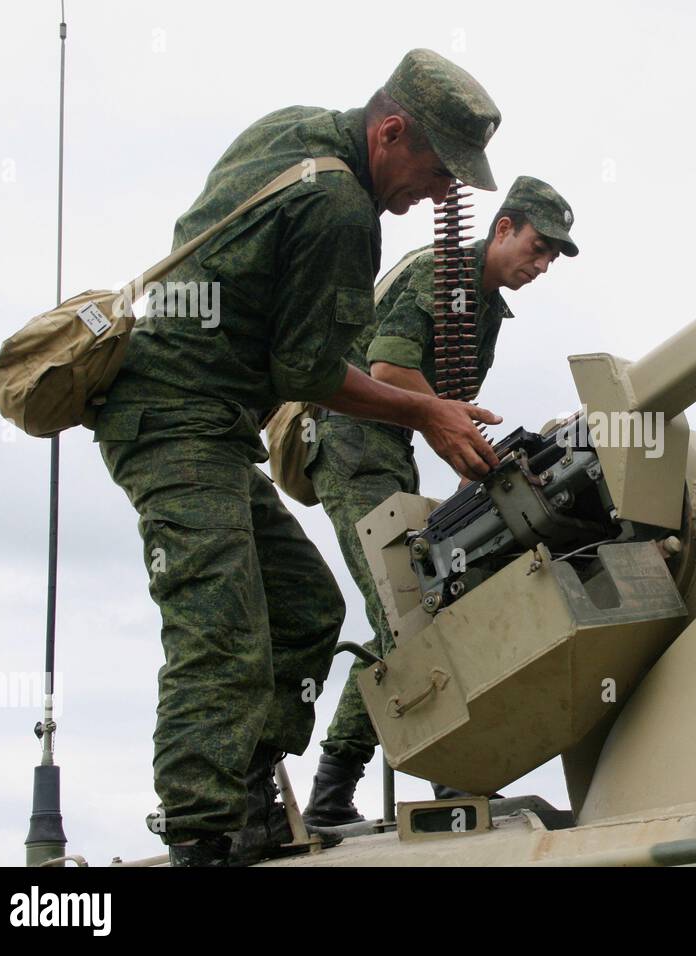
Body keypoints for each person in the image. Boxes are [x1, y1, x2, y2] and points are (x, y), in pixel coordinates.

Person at [93, 49, 504, 867]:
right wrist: (426, 410)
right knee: (222, 630)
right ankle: (203, 836)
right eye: (435, 172)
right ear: (390, 132)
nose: (436, 196)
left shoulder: (294, 131)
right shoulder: (342, 208)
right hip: (175, 419)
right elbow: (310, 374)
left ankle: (245, 797)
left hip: (202, 420)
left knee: (308, 608)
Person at [303, 176, 579, 825]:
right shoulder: (440, 273)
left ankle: (350, 788)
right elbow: (390, 371)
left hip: (388, 450)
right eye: (536, 247)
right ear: (503, 227)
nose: (539, 266)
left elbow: (441, 409)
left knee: (421, 607)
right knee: (404, 616)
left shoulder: (483, 310)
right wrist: (452, 430)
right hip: (349, 441)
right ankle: (400, 785)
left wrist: (480, 473)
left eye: (550, 259)